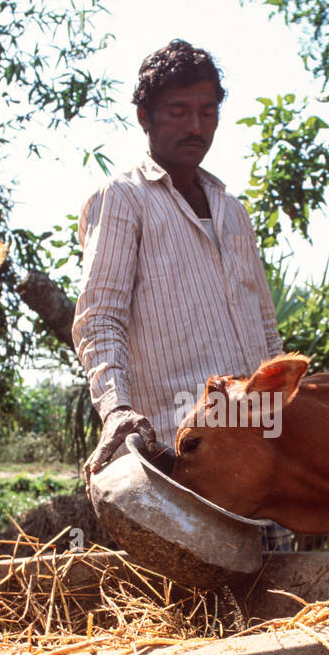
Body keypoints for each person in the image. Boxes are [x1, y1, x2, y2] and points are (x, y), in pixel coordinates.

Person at [72, 40, 291, 549]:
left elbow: (264, 327)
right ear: (145, 115)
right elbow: (98, 319)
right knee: (201, 613)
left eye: (208, 111)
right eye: (178, 111)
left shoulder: (232, 211)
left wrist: (289, 406)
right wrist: (117, 411)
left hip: (261, 447)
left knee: (274, 607)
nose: (196, 126)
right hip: (183, 456)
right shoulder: (122, 198)